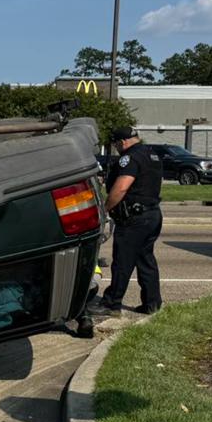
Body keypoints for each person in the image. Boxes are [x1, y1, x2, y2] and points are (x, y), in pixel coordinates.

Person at [91, 127, 163, 316]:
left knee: (122, 262)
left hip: (134, 218)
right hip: (152, 214)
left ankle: (111, 304)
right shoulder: (151, 154)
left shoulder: (129, 157)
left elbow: (122, 187)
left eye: (116, 145)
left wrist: (104, 209)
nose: (116, 148)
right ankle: (152, 303)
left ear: (122, 142)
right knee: (145, 260)